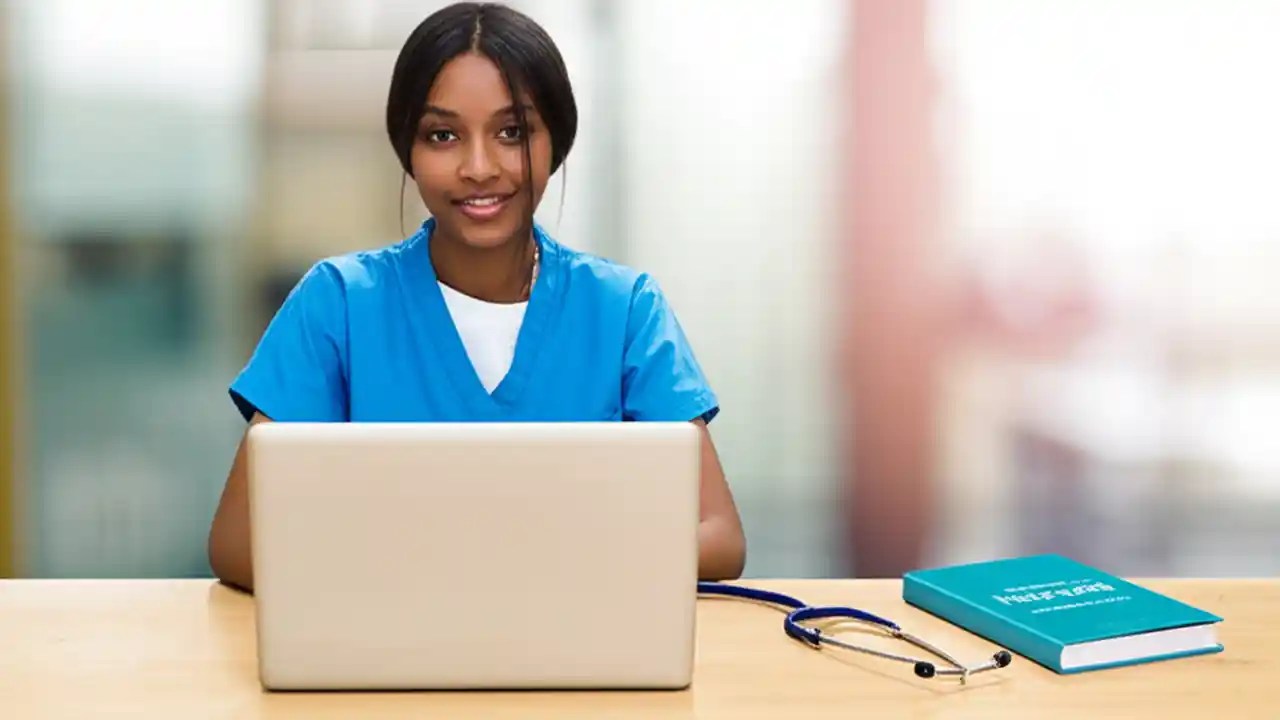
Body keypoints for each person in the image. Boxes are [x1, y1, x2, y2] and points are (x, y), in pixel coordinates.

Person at [207, 2, 745, 591]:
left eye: (512, 132)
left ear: (555, 143)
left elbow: (717, 536)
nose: (480, 167)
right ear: (406, 151)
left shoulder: (624, 310)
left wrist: (489, 561)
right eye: (443, 135)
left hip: (579, 666)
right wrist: (511, 559)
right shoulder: (336, 304)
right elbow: (239, 543)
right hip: (382, 663)